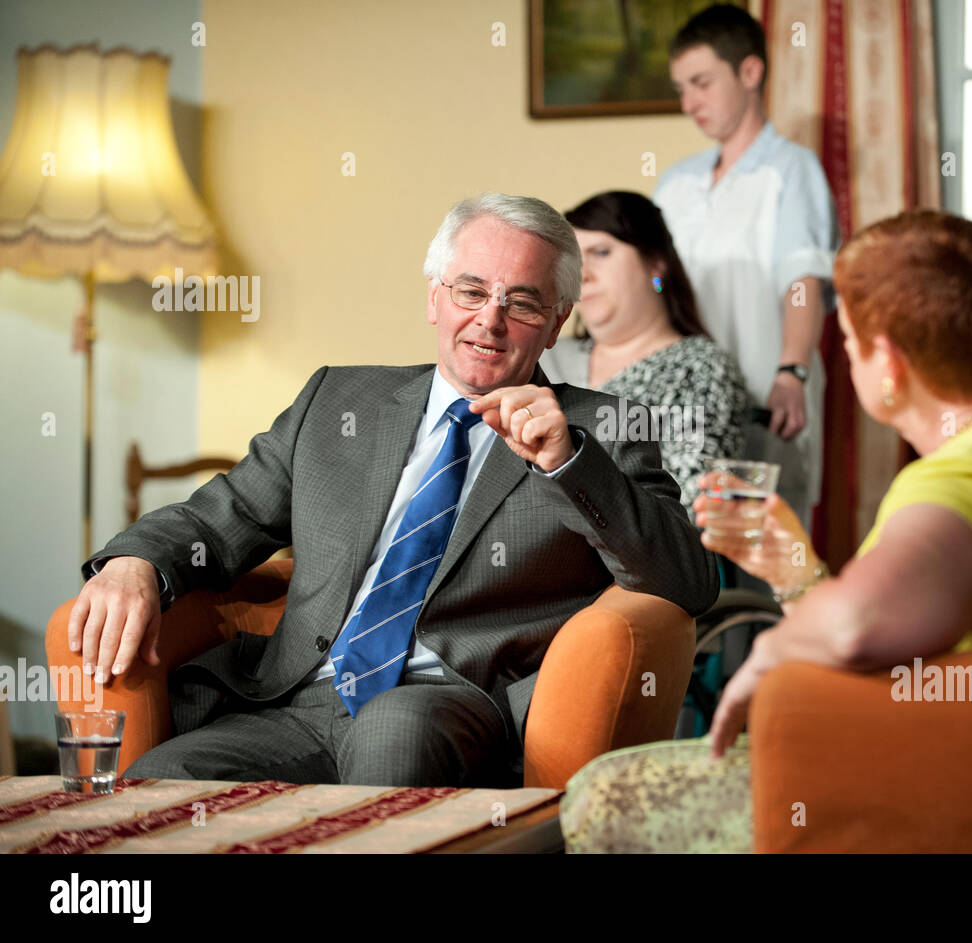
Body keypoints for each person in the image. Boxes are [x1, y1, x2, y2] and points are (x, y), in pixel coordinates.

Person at [69, 192, 719, 789]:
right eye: (470, 291)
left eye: (521, 302)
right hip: (292, 698)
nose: (489, 321)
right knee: (166, 777)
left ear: (555, 322)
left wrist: (569, 462)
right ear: (435, 298)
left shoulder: (602, 427)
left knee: (392, 733)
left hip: (448, 697)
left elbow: (688, 580)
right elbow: (223, 515)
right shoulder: (337, 400)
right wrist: (137, 562)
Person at [559, 210, 972, 853]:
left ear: (888, 365)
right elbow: (896, 628)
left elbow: (855, 627)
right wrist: (794, 571)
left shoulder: (970, 475)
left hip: (968, 787)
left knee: (602, 796)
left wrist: (769, 658)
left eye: (847, 344)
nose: (847, 356)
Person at [653, 3, 840, 530]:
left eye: (701, 83)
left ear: (750, 72)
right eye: (681, 88)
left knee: (762, 560)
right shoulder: (675, 184)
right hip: (686, 407)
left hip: (766, 400)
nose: (689, 103)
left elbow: (802, 280)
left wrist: (792, 370)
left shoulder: (789, 171)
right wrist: (653, 287)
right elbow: (656, 279)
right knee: (688, 555)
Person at [541, 191, 749, 506]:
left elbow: (691, 508)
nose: (584, 274)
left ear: (655, 264)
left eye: (601, 252)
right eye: (575, 261)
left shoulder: (699, 369)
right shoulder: (543, 357)